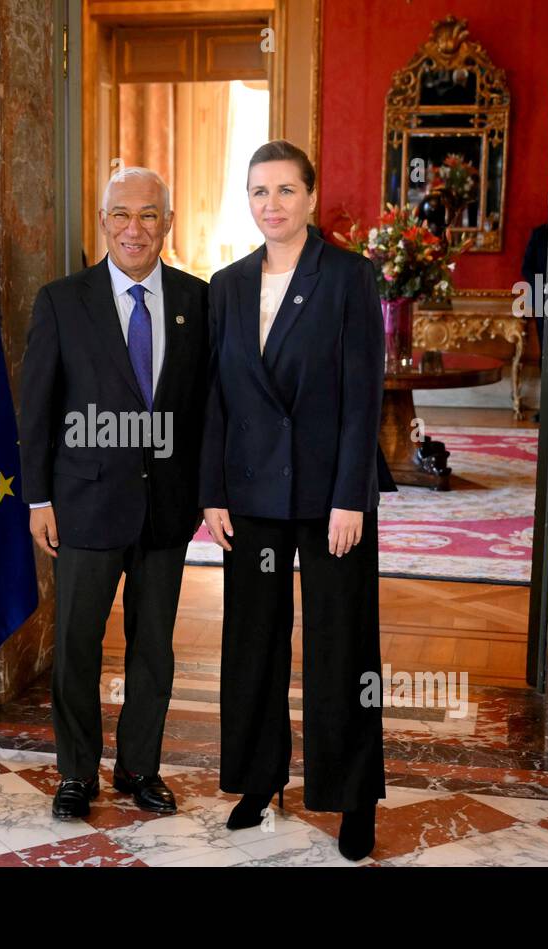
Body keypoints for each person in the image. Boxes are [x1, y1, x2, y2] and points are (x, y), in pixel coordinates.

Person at [199, 140, 392, 860]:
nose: (271, 205)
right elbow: (216, 395)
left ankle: (352, 798)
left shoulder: (348, 277)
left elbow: (360, 399)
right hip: (250, 495)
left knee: (342, 648)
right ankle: (257, 780)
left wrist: (351, 496)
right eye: (258, 192)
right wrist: (213, 491)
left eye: (285, 190)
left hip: (329, 497)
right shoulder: (226, 283)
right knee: (252, 642)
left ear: (311, 196)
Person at [19, 167, 210, 820]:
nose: (135, 228)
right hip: (84, 505)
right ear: (103, 222)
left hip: (166, 509)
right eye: (122, 214)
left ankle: (139, 769)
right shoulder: (62, 301)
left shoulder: (197, 300)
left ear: (168, 224)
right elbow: (38, 411)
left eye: (150, 215)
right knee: (75, 647)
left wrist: (209, 494)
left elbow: (209, 410)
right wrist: (38, 498)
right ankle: (76, 775)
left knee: (153, 649)